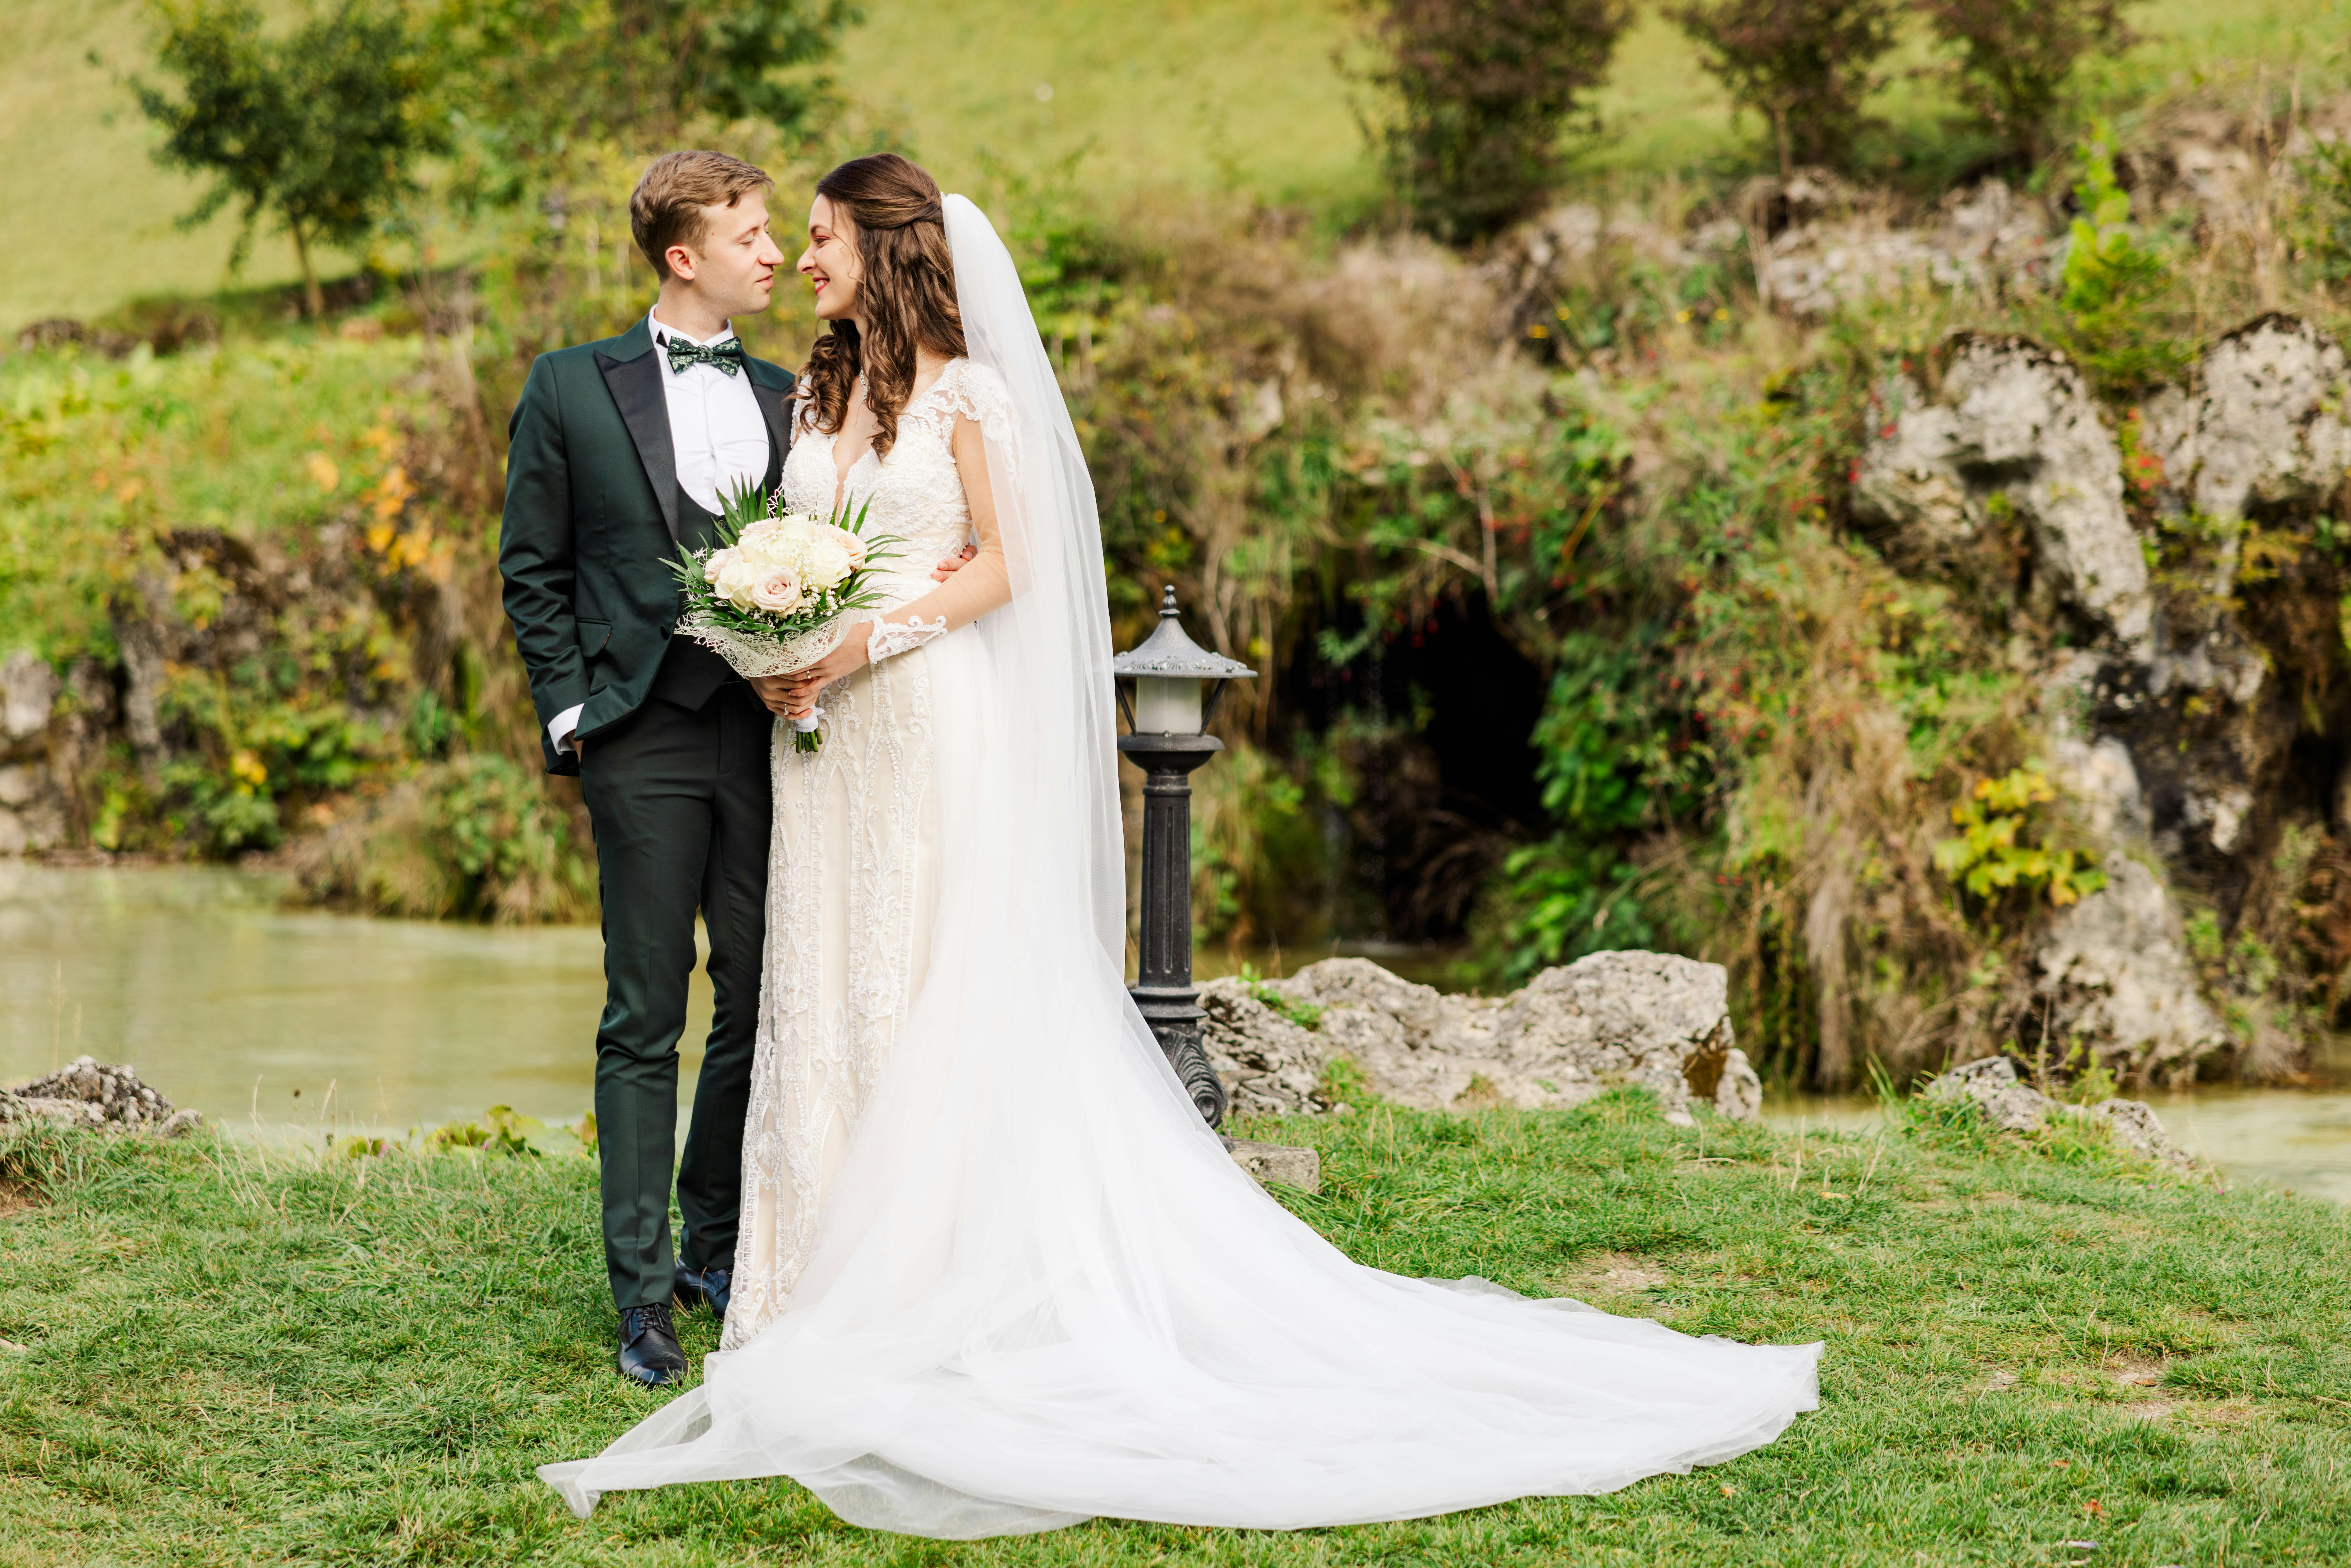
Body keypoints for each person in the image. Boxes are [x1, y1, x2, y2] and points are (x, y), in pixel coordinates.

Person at [540, 153, 1821, 1537]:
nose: (803, 256)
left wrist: (854, 639)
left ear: (892, 248)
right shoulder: (823, 386)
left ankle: (935, 1277)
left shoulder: (973, 392)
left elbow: (1006, 565)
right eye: (790, 238)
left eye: (822, 235)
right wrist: (786, 640)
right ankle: (802, 1283)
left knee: (928, 982)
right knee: (823, 984)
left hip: (923, 720)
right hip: (826, 747)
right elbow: (791, 538)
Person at [497, 151, 969, 1388]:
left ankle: (723, 1240)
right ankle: (641, 1297)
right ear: (681, 254)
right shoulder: (568, 388)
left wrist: (808, 658)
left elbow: (834, 544)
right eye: (751, 234)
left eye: (784, 235)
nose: (772, 254)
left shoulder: (796, 393)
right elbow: (530, 570)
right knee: (645, 1011)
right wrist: (569, 716)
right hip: (639, 736)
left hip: (779, 735)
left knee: (771, 990)